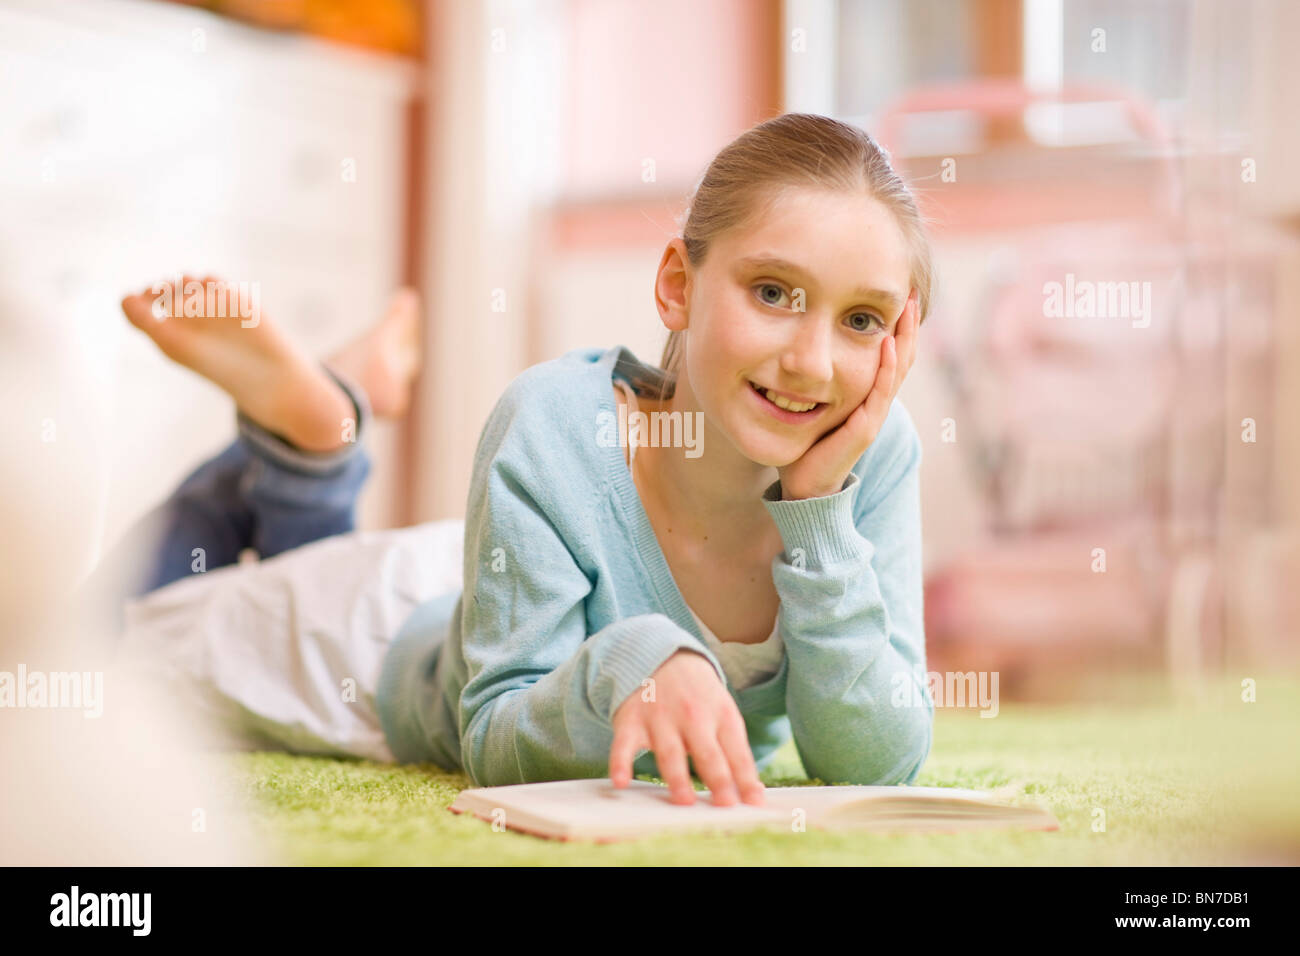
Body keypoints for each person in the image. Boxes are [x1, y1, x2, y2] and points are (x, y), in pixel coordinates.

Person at [91, 112, 933, 809]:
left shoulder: (870, 455)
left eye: (862, 320)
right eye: (775, 293)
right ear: (678, 282)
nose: (813, 363)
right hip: (372, 642)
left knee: (279, 567)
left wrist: (821, 516)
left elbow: (873, 761)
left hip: (495, 585)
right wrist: (635, 658)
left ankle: (324, 421)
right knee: (110, 641)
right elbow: (492, 740)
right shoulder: (555, 427)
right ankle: (314, 450)